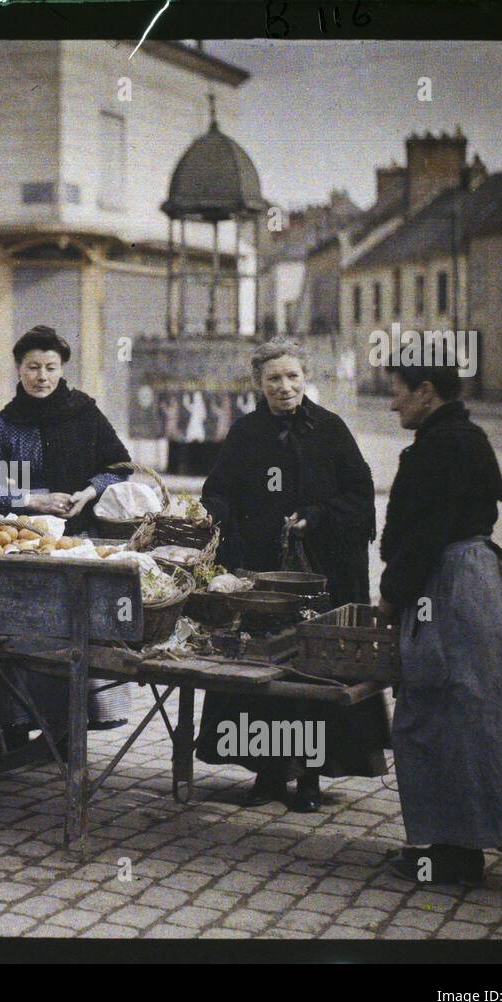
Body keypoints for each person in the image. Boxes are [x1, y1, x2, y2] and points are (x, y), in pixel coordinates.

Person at [378, 362, 502, 885]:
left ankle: (452, 853)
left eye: (398, 394)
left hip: (450, 586)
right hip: (475, 581)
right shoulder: (464, 437)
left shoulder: (442, 447)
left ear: (425, 392)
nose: (393, 405)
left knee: (437, 710)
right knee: (469, 710)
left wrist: (393, 596)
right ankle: (460, 840)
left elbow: (425, 534)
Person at [192, 336, 388, 811]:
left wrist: (317, 516)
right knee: (265, 673)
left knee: (315, 673)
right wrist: (208, 515)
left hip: (324, 578)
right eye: (274, 379)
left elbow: (360, 497)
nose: (285, 386)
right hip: (262, 578)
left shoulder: (331, 430)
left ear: (306, 379)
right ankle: (268, 774)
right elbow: (220, 491)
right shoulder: (247, 434)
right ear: (258, 384)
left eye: (293, 377)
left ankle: (312, 778)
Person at [0, 324, 132, 748]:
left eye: (50, 367)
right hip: (26, 542)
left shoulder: (85, 414)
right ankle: (16, 725)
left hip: (79, 539)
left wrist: (89, 491)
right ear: (18, 370)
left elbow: (120, 467)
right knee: (23, 633)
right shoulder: (4, 425)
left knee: (75, 632)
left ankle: (69, 730)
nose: (41, 377)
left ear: (62, 369)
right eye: (32, 368)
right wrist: (32, 501)